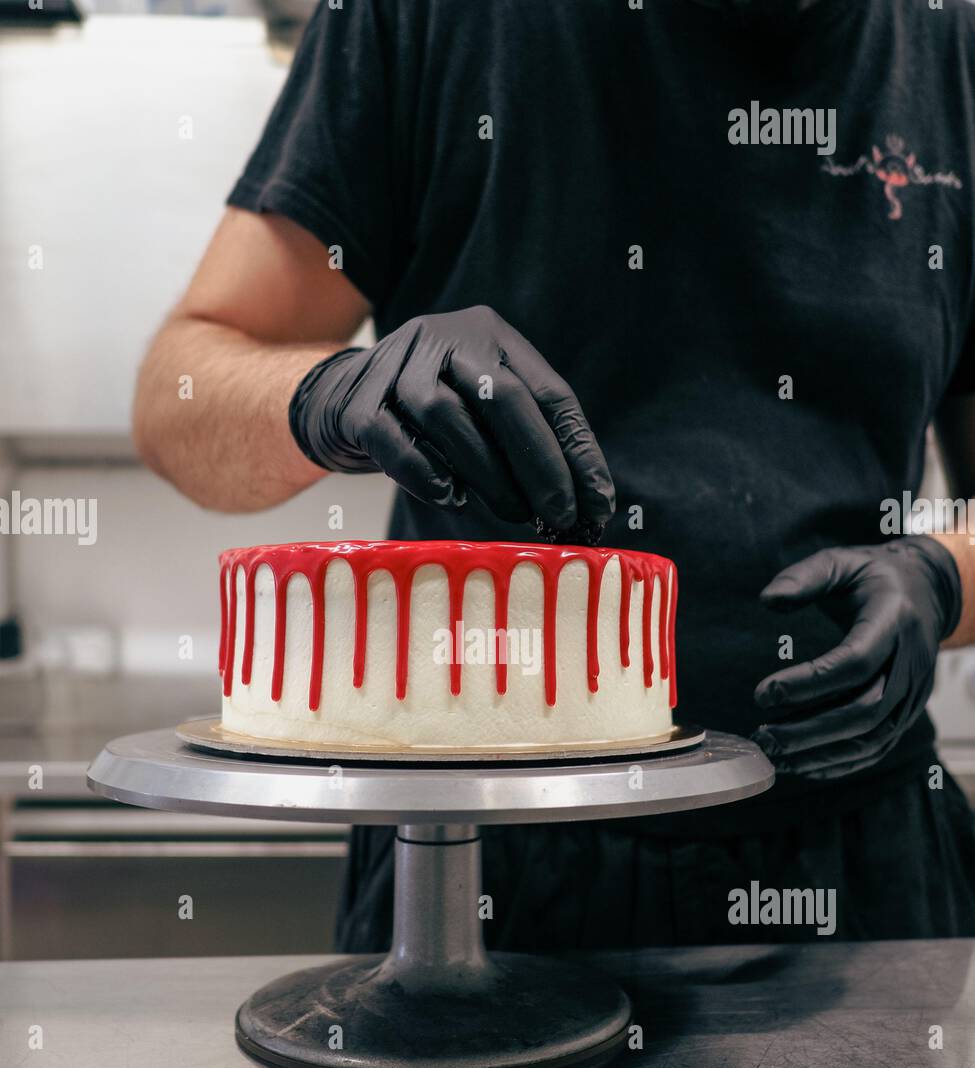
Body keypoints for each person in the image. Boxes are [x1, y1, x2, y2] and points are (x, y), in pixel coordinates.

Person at [134, 0, 975, 949]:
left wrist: (942, 581)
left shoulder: (953, 44)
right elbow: (177, 397)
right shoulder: (424, 22)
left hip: (860, 871)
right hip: (475, 859)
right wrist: (331, 394)